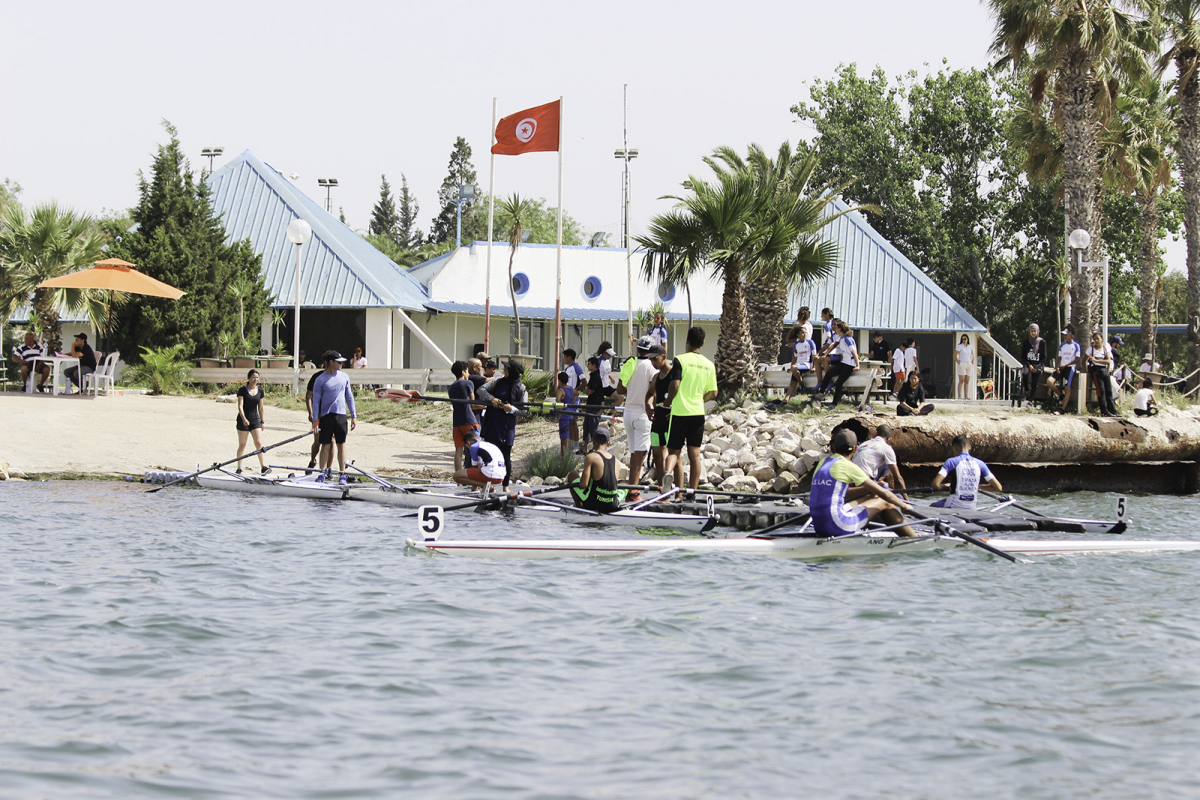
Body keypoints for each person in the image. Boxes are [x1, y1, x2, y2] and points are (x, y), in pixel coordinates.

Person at [810, 429, 915, 538]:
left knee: (872, 495)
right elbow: (885, 494)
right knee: (884, 501)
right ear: (855, 449)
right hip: (838, 525)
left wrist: (869, 489)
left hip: (818, 525)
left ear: (834, 447)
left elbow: (840, 492)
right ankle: (915, 540)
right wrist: (904, 505)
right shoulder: (849, 466)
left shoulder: (823, 463)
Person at [665, 326, 717, 492]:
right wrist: (702, 400)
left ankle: (667, 474)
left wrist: (668, 401)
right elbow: (714, 392)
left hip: (680, 412)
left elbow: (675, 384)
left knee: (674, 450)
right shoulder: (709, 364)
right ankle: (692, 492)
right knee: (695, 454)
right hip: (697, 413)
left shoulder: (680, 360)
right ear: (702, 343)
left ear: (687, 340)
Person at [476, 359, 529, 488]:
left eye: (507, 368)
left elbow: (525, 411)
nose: (504, 370)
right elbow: (481, 390)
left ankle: (505, 486)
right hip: (491, 423)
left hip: (507, 427)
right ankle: (488, 485)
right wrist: (492, 399)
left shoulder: (521, 388)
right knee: (488, 455)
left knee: (505, 457)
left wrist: (511, 409)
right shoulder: (498, 382)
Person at [616, 336, 659, 484]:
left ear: (638, 349)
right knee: (640, 455)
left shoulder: (630, 363)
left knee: (635, 453)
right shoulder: (653, 367)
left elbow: (620, 389)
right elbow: (655, 392)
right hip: (643, 414)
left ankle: (632, 486)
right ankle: (633, 489)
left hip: (628, 412)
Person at [310, 350, 357, 483]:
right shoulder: (320, 379)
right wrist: (315, 420)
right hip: (326, 416)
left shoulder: (344, 377)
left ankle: (342, 474)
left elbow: (349, 396)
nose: (342, 364)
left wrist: (354, 415)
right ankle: (322, 473)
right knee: (325, 445)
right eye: (339, 362)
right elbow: (316, 400)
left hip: (341, 415)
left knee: (341, 444)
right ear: (331, 362)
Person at [931, 435, 1003, 510]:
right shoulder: (980, 464)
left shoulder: (951, 462)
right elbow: (998, 487)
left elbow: (935, 485)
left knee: (933, 505)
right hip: (971, 507)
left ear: (955, 447)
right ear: (970, 448)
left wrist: (946, 486)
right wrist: (973, 487)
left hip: (954, 505)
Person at [568, 426, 627, 512]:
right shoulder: (615, 461)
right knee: (624, 484)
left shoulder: (590, 457)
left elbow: (583, 485)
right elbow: (612, 485)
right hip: (612, 504)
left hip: (594, 503)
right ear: (609, 443)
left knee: (572, 474)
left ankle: (580, 507)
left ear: (593, 440)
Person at [850, 425, 907, 498]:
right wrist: (907, 501)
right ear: (889, 439)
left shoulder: (864, 444)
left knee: (886, 462)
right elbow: (898, 478)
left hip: (852, 480)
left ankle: (879, 482)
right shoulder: (886, 448)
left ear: (876, 433)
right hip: (864, 481)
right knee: (899, 497)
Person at [815, 320, 859, 406]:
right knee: (829, 374)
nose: (835, 328)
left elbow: (854, 352)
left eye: (837, 327)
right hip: (843, 362)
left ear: (840, 329)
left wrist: (857, 365)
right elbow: (832, 345)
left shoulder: (847, 339)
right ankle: (821, 393)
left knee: (839, 383)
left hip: (849, 364)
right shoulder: (841, 338)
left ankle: (834, 404)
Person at [235, 369, 270, 474]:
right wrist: (244, 418)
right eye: (253, 377)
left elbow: (261, 407)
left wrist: (262, 421)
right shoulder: (242, 390)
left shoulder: (260, 391)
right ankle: (239, 467)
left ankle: (263, 466)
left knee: (258, 443)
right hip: (243, 420)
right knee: (242, 444)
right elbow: (240, 406)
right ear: (249, 378)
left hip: (255, 419)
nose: (256, 379)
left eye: (257, 377)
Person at [648, 348, 674, 484]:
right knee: (657, 454)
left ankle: (674, 487)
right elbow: (649, 394)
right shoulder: (656, 377)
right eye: (650, 360)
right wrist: (648, 407)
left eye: (655, 359)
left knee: (672, 454)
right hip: (657, 419)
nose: (653, 362)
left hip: (670, 419)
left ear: (664, 356)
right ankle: (661, 485)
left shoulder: (674, 375)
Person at [448, 360, 479, 471]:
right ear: (463, 372)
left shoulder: (451, 388)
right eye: (467, 371)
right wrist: (485, 406)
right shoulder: (468, 383)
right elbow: (473, 403)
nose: (468, 374)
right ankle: (475, 477)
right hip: (469, 420)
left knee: (458, 451)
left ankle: (459, 480)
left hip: (456, 422)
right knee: (476, 448)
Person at [1045, 326, 1080, 413]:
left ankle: (1062, 409)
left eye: (1066, 334)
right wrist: (1057, 367)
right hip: (1061, 367)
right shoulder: (1062, 345)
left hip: (1070, 368)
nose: (1065, 336)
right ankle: (1061, 395)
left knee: (1067, 388)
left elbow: (1077, 359)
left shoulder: (1076, 345)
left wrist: (1067, 365)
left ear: (1071, 335)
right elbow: (1059, 357)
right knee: (1049, 381)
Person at [1086, 333, 1120, 417]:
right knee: (1101, 391)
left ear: (1102, 339)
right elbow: (1084, 360)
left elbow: (1108, 361)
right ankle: (1104, 410)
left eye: (1097, 339)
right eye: (1094, 339)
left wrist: (1096, 360)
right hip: (1095, 370)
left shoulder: (1105, 349)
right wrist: (1086, 371)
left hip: (1104, 370)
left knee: (1109, 390)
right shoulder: (1091, 350)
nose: (1096, 341)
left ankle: (1112, 410)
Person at [784, 325, 817, 401]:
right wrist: (791, 367)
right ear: (798, 335)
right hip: (798, 366)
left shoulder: (810, 342)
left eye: (805, 332)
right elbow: (795, 357)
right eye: (802, 333)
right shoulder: (796, 345)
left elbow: (814, 356)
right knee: (792, 383)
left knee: (794, 368)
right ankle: (786, 400)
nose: (804, 334)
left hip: (807, 364)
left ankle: (802, 384)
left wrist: (814, 366)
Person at [580, 356, 604, 453]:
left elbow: (589, 391)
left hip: (594, 405)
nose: (587, 366)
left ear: (594, 365)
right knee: (586, 427)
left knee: (593, 429)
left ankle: (596, 449)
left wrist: (587, 389)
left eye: (589, 364)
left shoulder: (596, 377)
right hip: (590, 405)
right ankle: (585, 449)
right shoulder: (593, 375)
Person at [1020, 324, 1047, 405]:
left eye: (1035, 331)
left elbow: (1044, 358)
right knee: (1025, 373)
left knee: (1035, 382)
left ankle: (1030, 400)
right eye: (1032, 331)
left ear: (1038, 332)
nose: (1033, 333)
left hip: (1038, 365)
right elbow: (1023, 357)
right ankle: (1026, 390)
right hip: (1028, 364)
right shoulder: (1026, 342)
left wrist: (1037, 366)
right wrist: (1029, 365)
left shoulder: (1042, 342)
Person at [304, 364, 323, 469]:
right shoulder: (317, 376)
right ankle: (312, 460)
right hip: (318, 413)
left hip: (331, 414)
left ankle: (326, 469)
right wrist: (310, 412)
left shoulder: (338, 376)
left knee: (331, 442)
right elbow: (308, 395)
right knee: (318, 441)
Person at [555, 371, 577, 455]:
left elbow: (557, 400)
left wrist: (562, 405)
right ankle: (563, 454)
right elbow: (577, 393)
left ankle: (565, 455)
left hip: (564, 415)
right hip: (571, 414)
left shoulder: (561, 390)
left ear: (559, 380)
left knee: (564, 436)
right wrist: (572, 402)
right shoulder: (571, 389)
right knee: (567, 434)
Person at [813, 308, 836, 383]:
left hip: (830, 351)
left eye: (822, 315)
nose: (821, 316)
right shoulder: (833, 323)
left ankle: (826, 382)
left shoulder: (828, 325)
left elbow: (829, 339)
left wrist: (825, 353)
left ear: (827, 314)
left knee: (820, 361)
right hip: (831, 350)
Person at [955, 334, 975, 400]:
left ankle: (966, 396)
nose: (964, 340)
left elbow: (972, 354)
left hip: (968, 364)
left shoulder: (970, 346)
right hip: (962, 363)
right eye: (963, 339)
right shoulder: (960, 346)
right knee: (961, 380)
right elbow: (955, 355)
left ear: (967, 339)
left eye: (965, 339)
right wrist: (959, 362)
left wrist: (972, 362)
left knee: (967, 381)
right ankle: (960, 396)